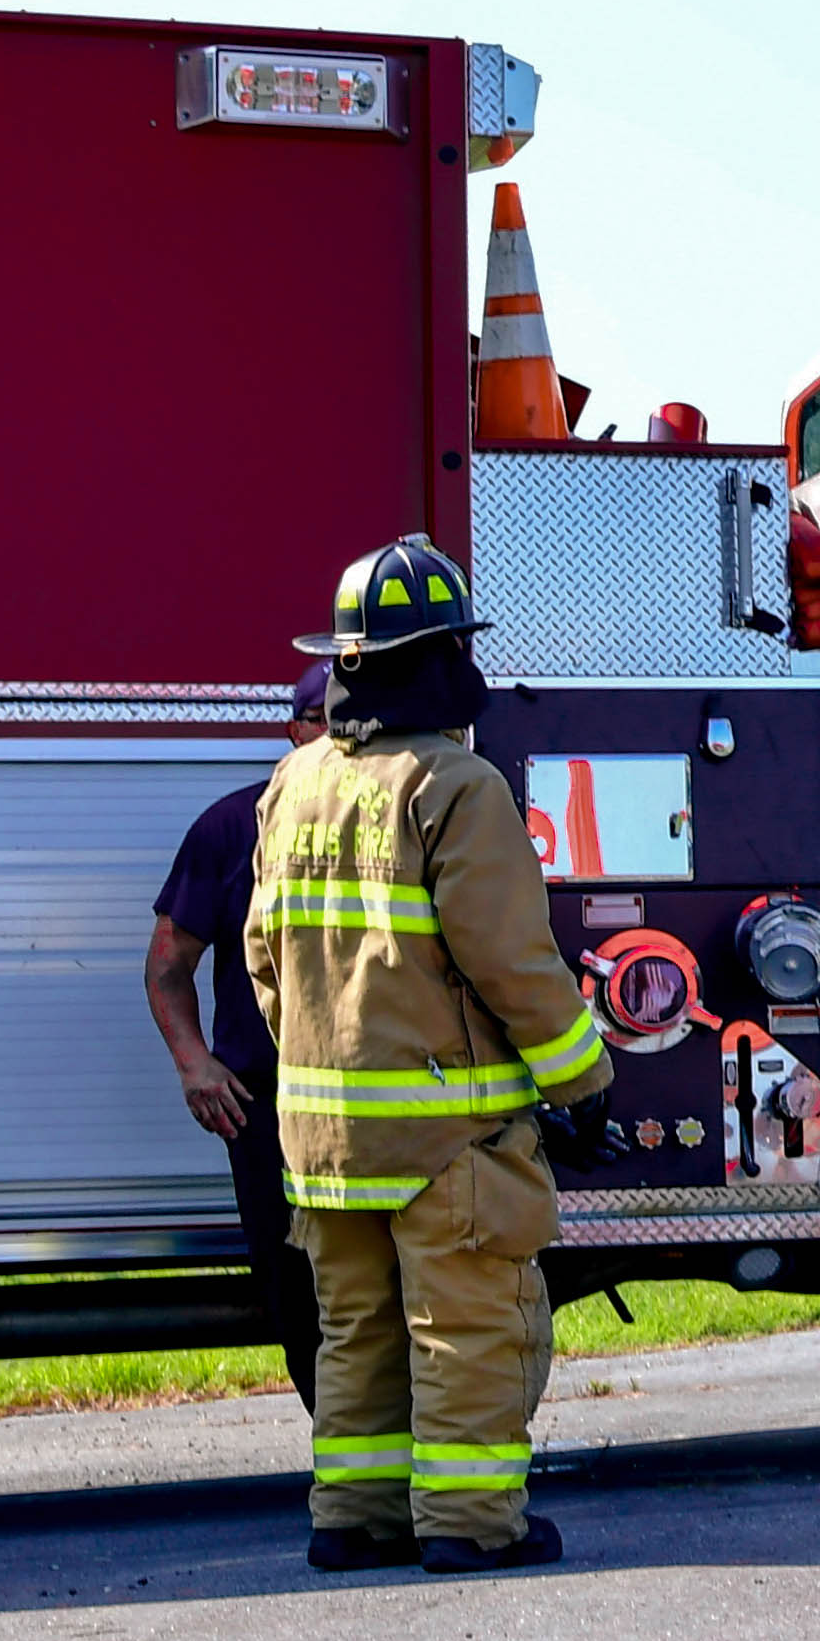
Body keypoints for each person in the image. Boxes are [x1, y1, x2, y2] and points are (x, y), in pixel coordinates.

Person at [245, 537, 613, 1576]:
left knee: (356, 1330)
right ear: (443, 656)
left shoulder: (295, 781)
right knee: (466, 1326)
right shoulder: (457, 785)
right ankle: (471, 1522)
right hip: (447, 1135)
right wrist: (582, 1078)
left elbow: (265, 956)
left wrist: (319, 1070)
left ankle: (354, 1515)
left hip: (323, 1137)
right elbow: (512, 960)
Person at [145, 664, 333, 1405]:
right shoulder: (230, 829)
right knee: (298, 1299)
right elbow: (167, 967)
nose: (335, 737)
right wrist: (195, 1064)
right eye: (320, 720)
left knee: (395, 1299)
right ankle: (350, 1458)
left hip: (386, 1107)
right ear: (292, 731)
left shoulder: (406, 823)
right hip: (267, 1110)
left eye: (350, 722)